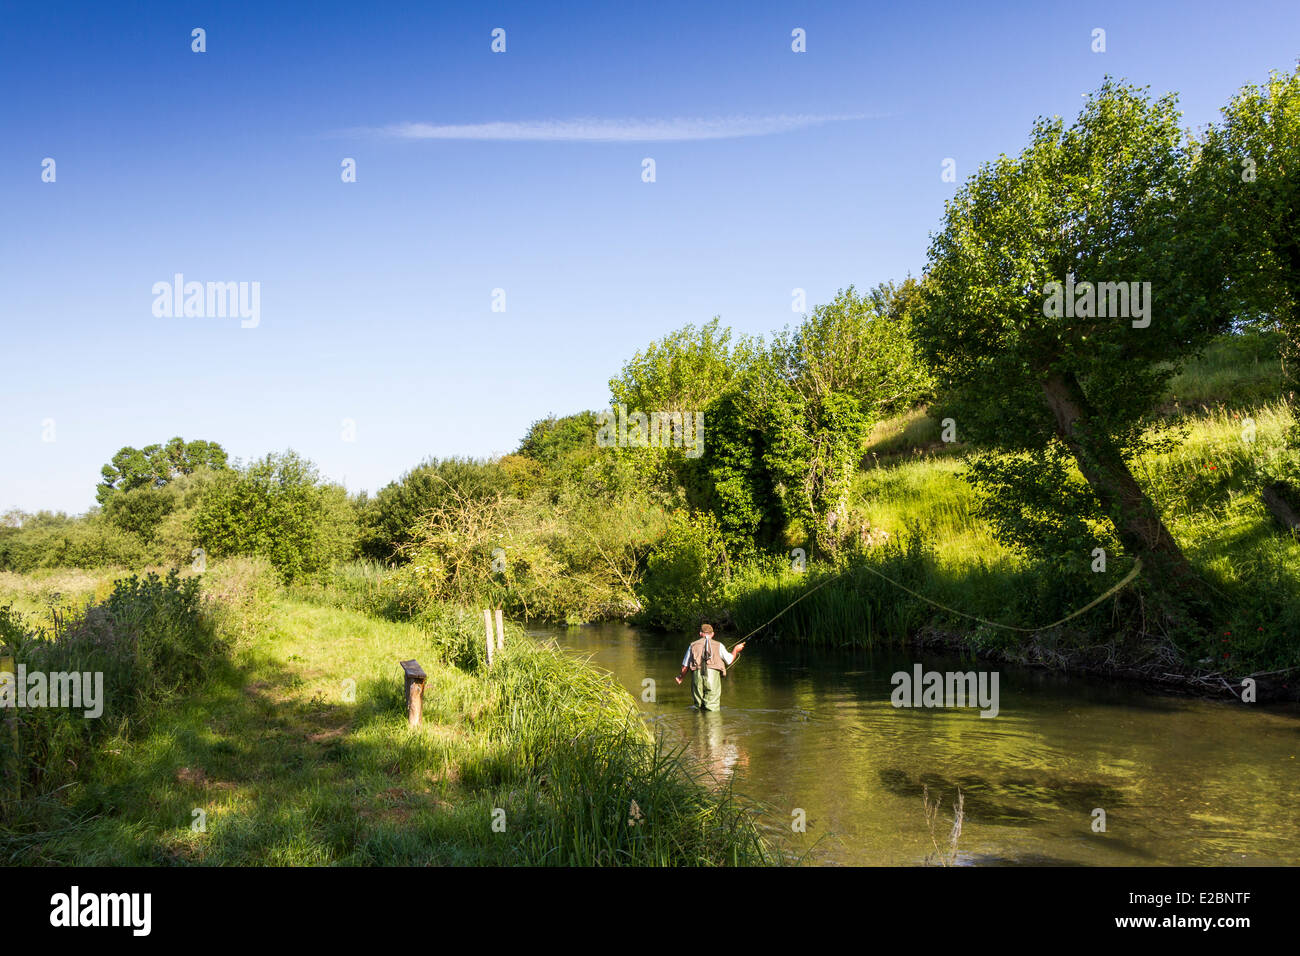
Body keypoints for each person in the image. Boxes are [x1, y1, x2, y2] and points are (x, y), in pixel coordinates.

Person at [674, 624, 745, 712]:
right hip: (712, 678)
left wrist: (680, 677)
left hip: (697, 677)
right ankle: (711, 724)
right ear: (712, 634)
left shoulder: (692, 645)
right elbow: (729, 660)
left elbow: (685, 666)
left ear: (700, 633)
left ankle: (698, 724)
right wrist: (736, 650)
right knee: (712, 708)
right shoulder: (719, 645)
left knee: (698, 706)